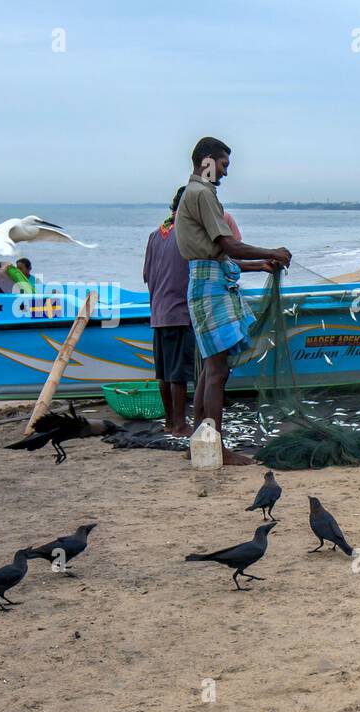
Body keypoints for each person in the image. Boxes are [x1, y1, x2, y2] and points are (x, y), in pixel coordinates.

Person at [174, 136, 291, 466]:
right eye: (223, 165)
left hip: (205, 280)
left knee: (210, 368)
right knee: (217, 371)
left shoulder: (196, 193)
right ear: (207, 161)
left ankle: (198, 443)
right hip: (210, 287)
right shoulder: (201, 193)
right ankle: (216, 447)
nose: (225, 172)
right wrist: (273, 251)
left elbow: (220, 255)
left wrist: (260, 264)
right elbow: (228, 244)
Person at [144, 186, 195, 436]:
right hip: (179, 312)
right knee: (178, 374)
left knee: (163, 372)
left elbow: (146, 275)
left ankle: (168, 422)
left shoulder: (155, 235)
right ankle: (181, 424)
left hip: (158, 313)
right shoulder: (187, 234)